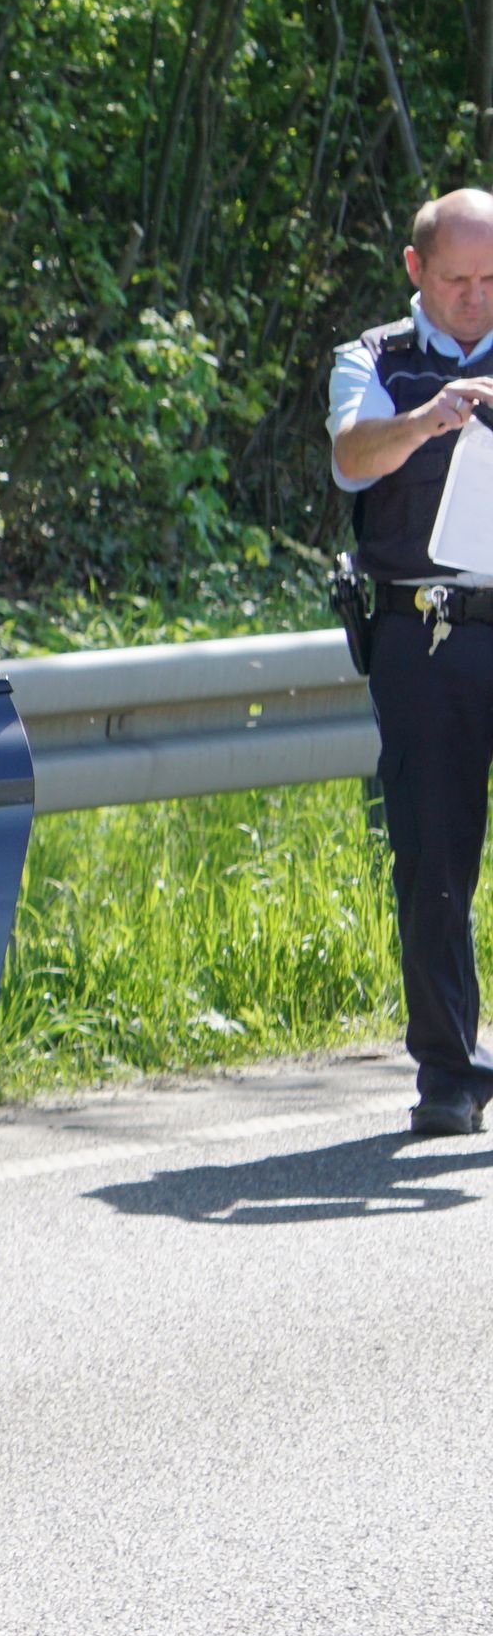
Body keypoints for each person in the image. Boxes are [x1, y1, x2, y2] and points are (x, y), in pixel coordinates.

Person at [329, 188, 493, 1136]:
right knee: (433, 855)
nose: (475, 300)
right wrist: (430, 417)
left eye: (490, 281)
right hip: (423, 632)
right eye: (457, 280)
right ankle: (450, 1072)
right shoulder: (374, 360)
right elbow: (352, 456)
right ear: (415, 270)